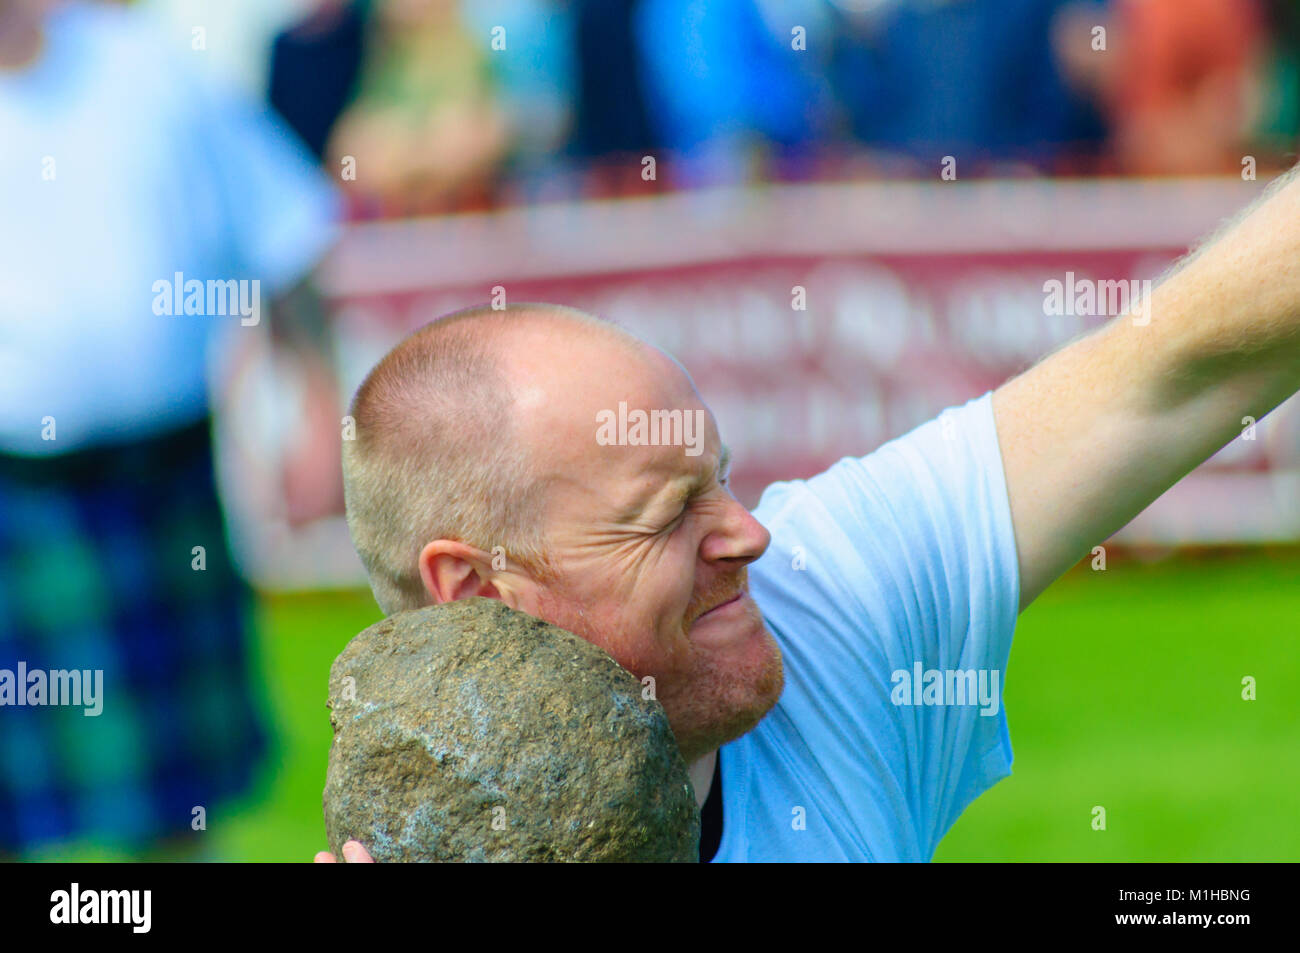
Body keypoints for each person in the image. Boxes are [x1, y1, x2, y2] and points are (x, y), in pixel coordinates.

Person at [316, 162, 1300, 861]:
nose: (749, 534)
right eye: (666, 516)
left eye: (721, 478)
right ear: (476, 587)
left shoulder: (824, 603)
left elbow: (1176, 367)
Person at [0, 0, 340, 857]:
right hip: (13, 496)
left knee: (173, 802)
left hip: (163, 477)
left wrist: (316, 402)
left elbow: (284, 234)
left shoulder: (149, 71)